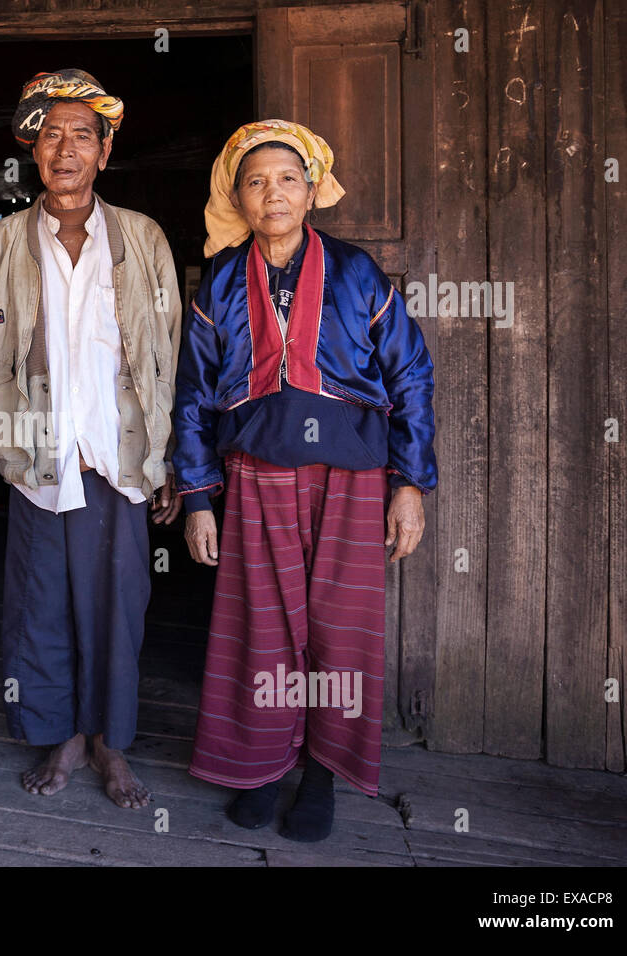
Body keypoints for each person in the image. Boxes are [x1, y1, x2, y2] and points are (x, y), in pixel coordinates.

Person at [172, 119, 436, 841]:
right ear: (241, 197)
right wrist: (198, 498)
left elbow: (410, 375)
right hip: (256, 475)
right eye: (256, 181)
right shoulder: (222, 280)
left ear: (312, 190)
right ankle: (261, 767)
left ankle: (319, 774)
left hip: (351, 478)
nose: (273, 193)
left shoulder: (356, 273)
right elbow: (193, 395)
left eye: (288, 178)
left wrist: (408, 483)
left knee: (336, 632)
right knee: (261, 630)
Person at [0, 68, 182, 809]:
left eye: (83, 134)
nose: (67, 147)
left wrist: (170, 457)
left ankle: (111, 745)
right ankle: (64, 738)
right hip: (35, 463)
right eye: (52, 134)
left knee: (118, 607)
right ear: (33, 150)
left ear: (105, 152)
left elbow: (169, 354)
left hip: (117, 460)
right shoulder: (0, 244)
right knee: (40, 608)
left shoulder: (143, 239)